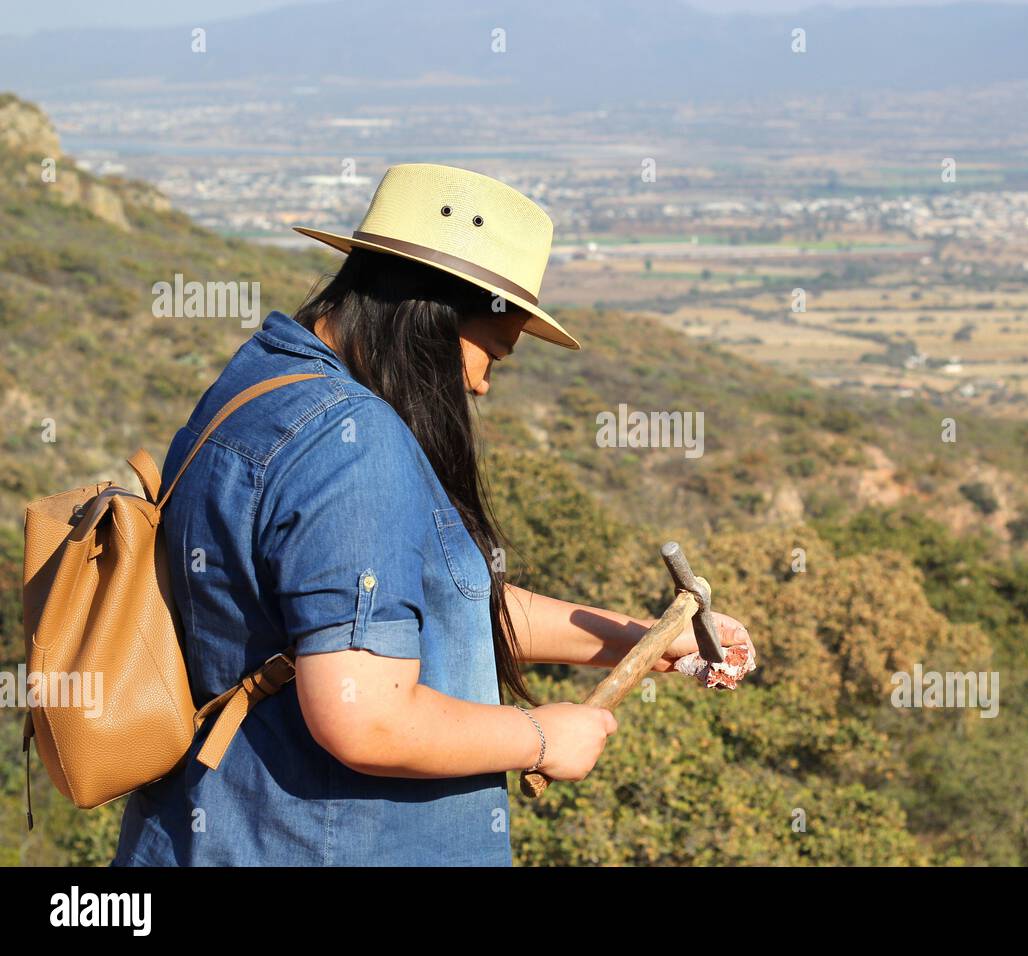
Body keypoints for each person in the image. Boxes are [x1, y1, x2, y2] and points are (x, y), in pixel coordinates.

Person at [112, 164, 754, 866]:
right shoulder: (352, 444)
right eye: (492, 354)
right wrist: (541, 736)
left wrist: (647, 639)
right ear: (432, 316)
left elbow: (420, 600)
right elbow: (366, 718)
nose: (480, 385)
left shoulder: (260, 380)